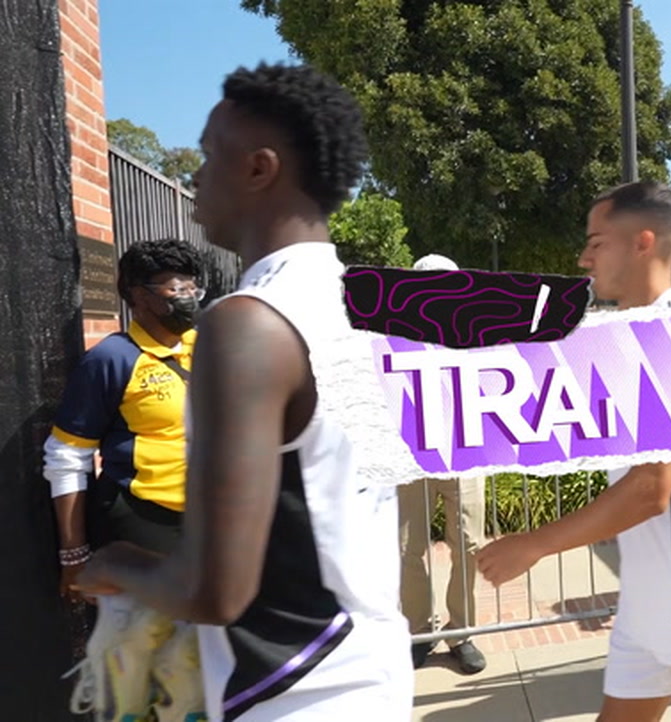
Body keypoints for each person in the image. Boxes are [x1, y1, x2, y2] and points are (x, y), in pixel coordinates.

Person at [76, 62, 411, 720]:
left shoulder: (246, 323)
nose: (198, 174)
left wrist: (112, 562)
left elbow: (215, 591)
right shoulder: (360, 307)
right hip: (370, 667)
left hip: (295, 690)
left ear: (260, 168)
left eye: (209, 153)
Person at [477, 181, 671, 722]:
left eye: (596, 242)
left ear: (643, 242)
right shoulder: (632, 336)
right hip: (648, 597)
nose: (583, 257)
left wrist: (534, 544)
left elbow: (650, 490)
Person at [46, 238, 206, 720]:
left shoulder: (207, 349)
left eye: (193, 287)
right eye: (174, 289)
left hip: (205, 525)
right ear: (137, 294)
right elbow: (67, 456)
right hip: (141, 523)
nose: (187, 297)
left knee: (201, 653)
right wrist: (73, 555)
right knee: (147, 658)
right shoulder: (111, 359)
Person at [400, 252, 488, 675]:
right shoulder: (392, 336)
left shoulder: (476, 334)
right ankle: (419, 631)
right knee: (407, 548)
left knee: (469, 545)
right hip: (409, 456)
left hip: (463, 454)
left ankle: (461, 633)